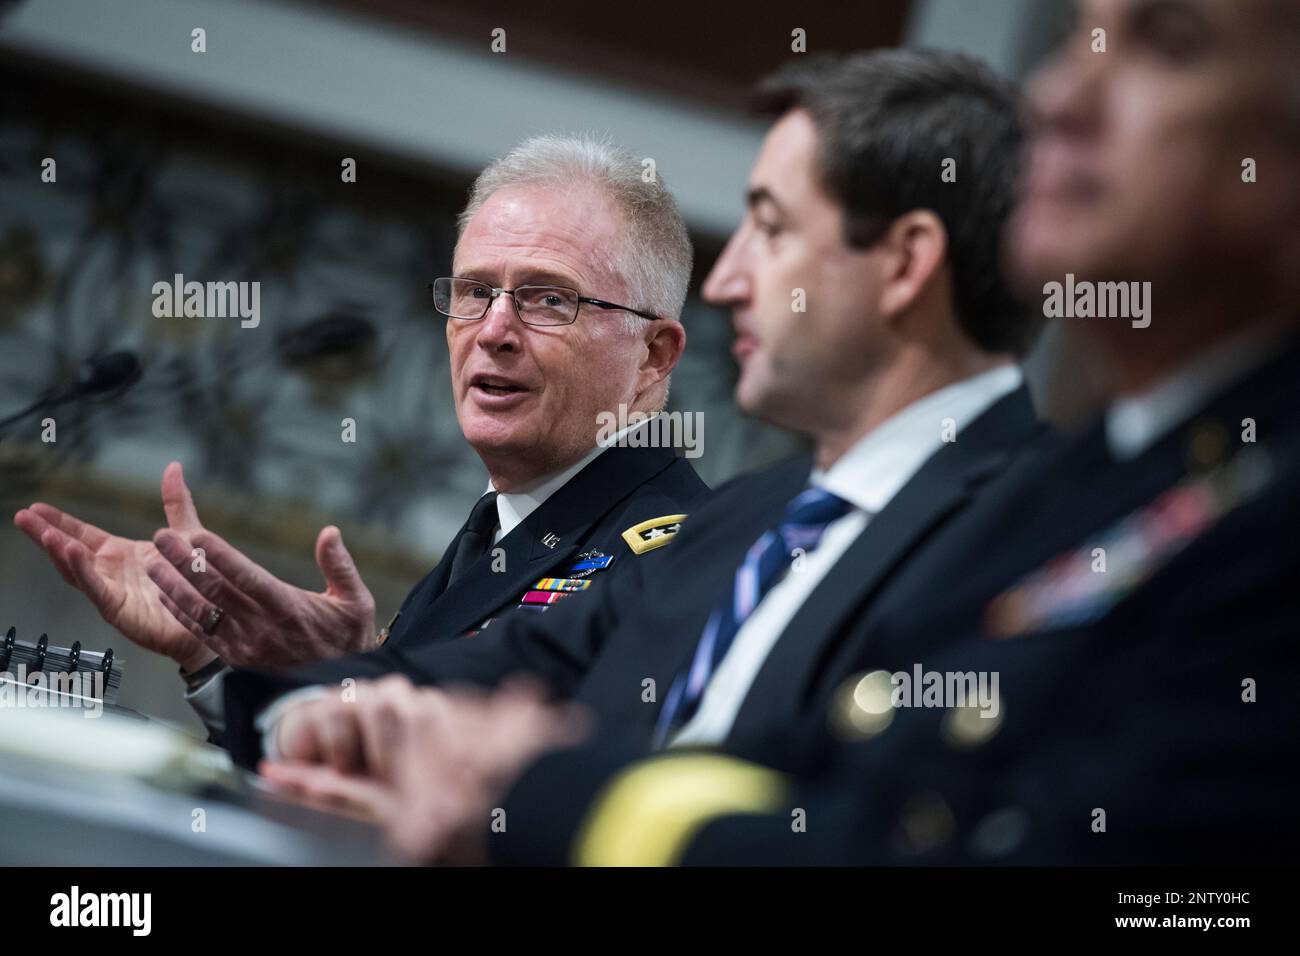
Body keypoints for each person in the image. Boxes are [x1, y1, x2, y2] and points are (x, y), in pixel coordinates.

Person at [280, 0, 1300, 865]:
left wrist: (545, 792)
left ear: (905, 264)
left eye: (1166, 41)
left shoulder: (1012, 498)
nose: (1059, 96)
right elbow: (532, 668)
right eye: (1077, 32)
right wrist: (289, 691)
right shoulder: (1053, 490)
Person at [241, 48, 1050, 777]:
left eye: (768, 231)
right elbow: (482, 676)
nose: (730, 282)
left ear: (905, 264)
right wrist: (266, 691)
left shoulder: (1035, 539)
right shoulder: (749, 518)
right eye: (474, 292)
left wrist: (523, 794)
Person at [13, 134, 707, 737]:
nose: (493, 330)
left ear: (653, 356)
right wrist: (220, 658)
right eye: (474, 291)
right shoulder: (508, 523)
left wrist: (347, 681)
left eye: (548, 299)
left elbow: (532, 812)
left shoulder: (673, 563)